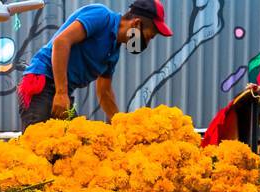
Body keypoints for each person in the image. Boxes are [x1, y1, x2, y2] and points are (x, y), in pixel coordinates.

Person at [16, 1, 170, 131]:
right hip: (41, 83)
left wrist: (121, 125)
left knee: (75, 146)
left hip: (62, 91)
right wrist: (61, 93)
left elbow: (105, 92)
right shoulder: (101, 16)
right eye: (149, 36)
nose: (147, 43)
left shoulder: (113, 52)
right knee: (39, 148)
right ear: (136, 24)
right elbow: (61, 42)